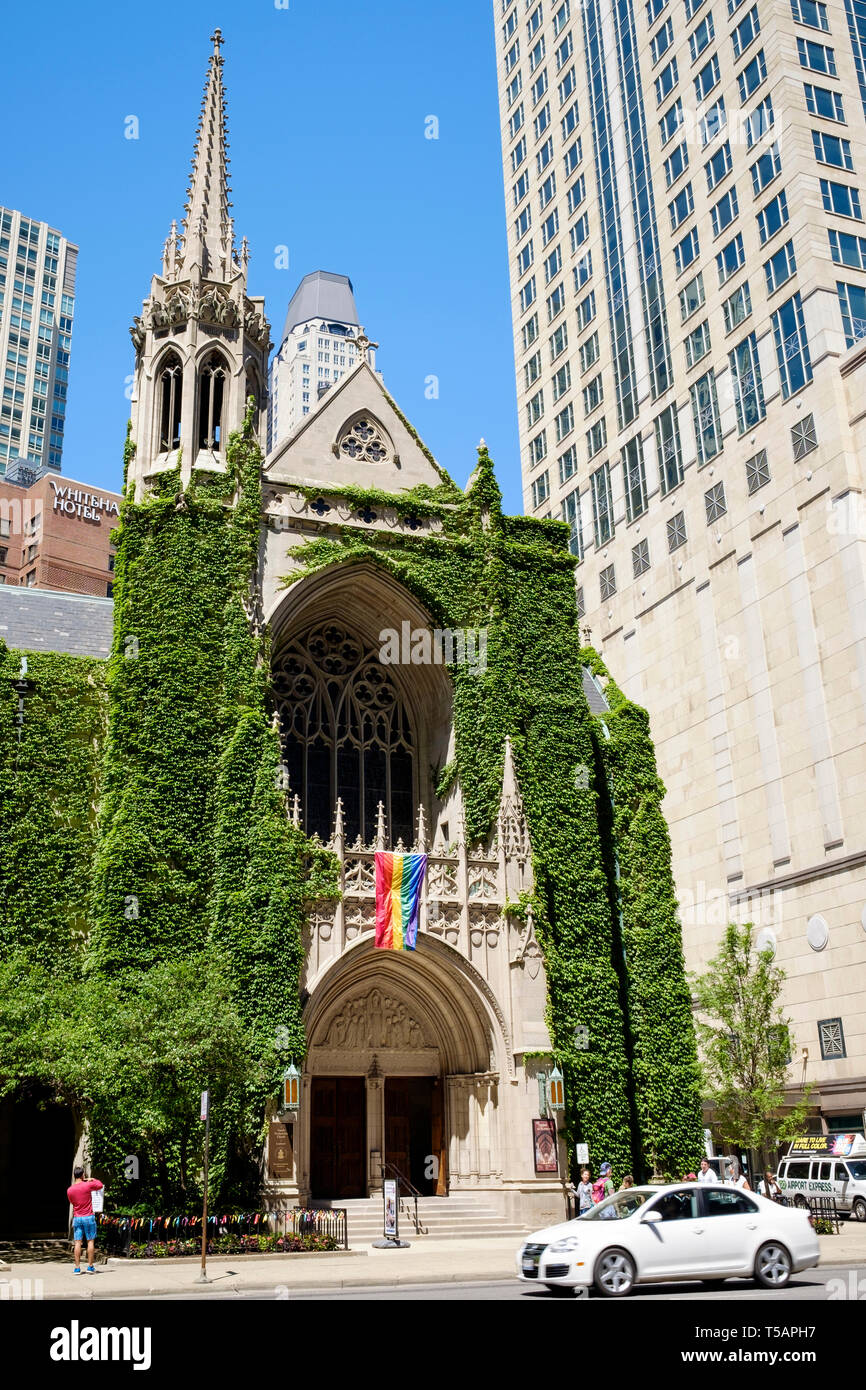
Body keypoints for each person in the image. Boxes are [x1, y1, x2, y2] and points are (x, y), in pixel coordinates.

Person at [67, 1165, 104, 1275]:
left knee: (77, 1242)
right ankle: (90, 1266)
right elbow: (100, 1185)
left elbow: (72, 1202)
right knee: (90, 1241)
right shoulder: (87, 1185)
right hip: (88, 1216)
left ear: (74, 1176)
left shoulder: (70, 1190)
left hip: (77, 1217)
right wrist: (91, 1179)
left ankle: (77, 1268)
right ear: (83, 1175)